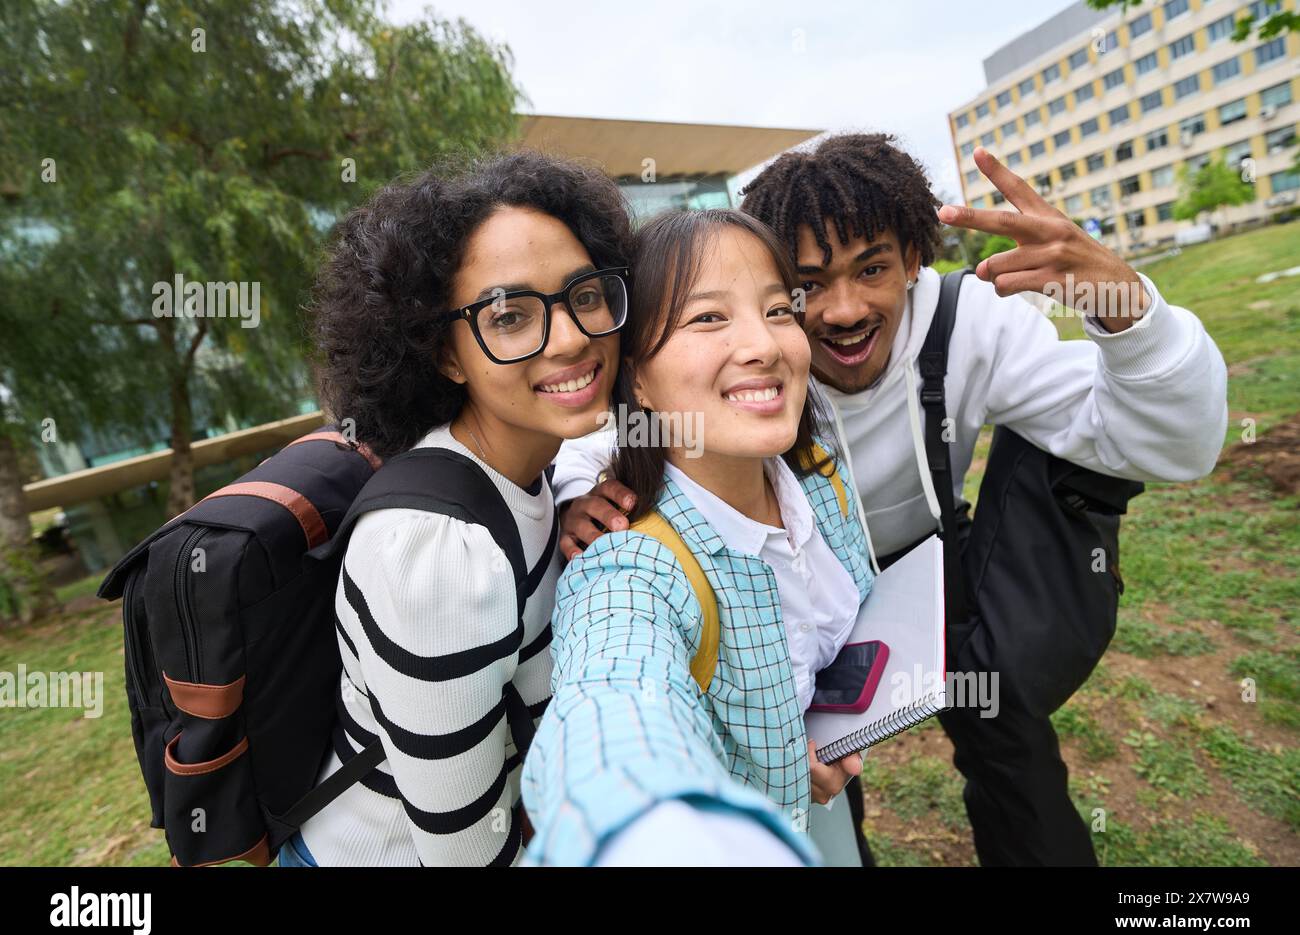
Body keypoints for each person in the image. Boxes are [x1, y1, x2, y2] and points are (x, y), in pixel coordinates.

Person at [553, 133, 1228, 866]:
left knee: (1006, 737)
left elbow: (1173, 443)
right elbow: (613, 680)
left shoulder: (969, 322)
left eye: (872, 268)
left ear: (915, 259)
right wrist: (573, 496)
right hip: (807, 592)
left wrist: (1129, 310)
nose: (840, 312)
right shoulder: (756, 373)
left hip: (935, 558)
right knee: (829, 761)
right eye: (804, 288)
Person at [286, 150, 633, 865]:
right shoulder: (439, 555)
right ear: (443, 354)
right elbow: (465, 854)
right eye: (508, 316)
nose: (569, 336)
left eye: (585, 295)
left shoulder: (530, 474)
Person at [522, 208, 876, 866]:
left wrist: (807, 739)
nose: (764, 346)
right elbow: (610, 704)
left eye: (777, 311)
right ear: (639, 379)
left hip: (823, 809)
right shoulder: (629, 567)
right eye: (708, 317)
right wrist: (646, 831)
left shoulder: (817, 475)